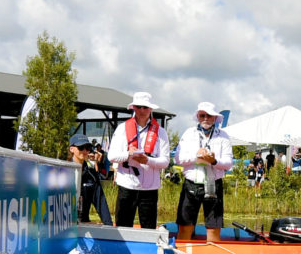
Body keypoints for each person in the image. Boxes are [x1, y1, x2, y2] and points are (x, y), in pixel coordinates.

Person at [107, 92, 169, 228]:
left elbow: (165, 161)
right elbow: (111, 156)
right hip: (127, 185)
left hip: (150, 188)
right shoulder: (122, 128)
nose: (142, 110)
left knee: (149, 227)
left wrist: (147, 160)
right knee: (123, 225)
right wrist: (128, 154)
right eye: (138, 107)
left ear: (151, 109)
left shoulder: (160, 132)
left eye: (145, 107)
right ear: (133, 108)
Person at [175, 101, 234, 243]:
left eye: (209, 115)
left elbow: (228, 163)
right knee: (185, 226)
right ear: (198, 117)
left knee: (213, 228)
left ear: (215, 118)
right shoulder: (189, 133)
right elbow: (178, 159)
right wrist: (197, 156)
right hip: (191, 184)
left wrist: (214, 161)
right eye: (202, 115)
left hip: (213, 184)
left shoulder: (223, 136)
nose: (205, 118)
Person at [71, 138, 114, 224]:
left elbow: (101, 202)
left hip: (83, 225)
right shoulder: (62, 172)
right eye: (81, 147)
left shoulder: (92, 175)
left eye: (87, 148)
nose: (84, 151)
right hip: (64, 226)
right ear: (71, 149)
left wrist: (109, 226)